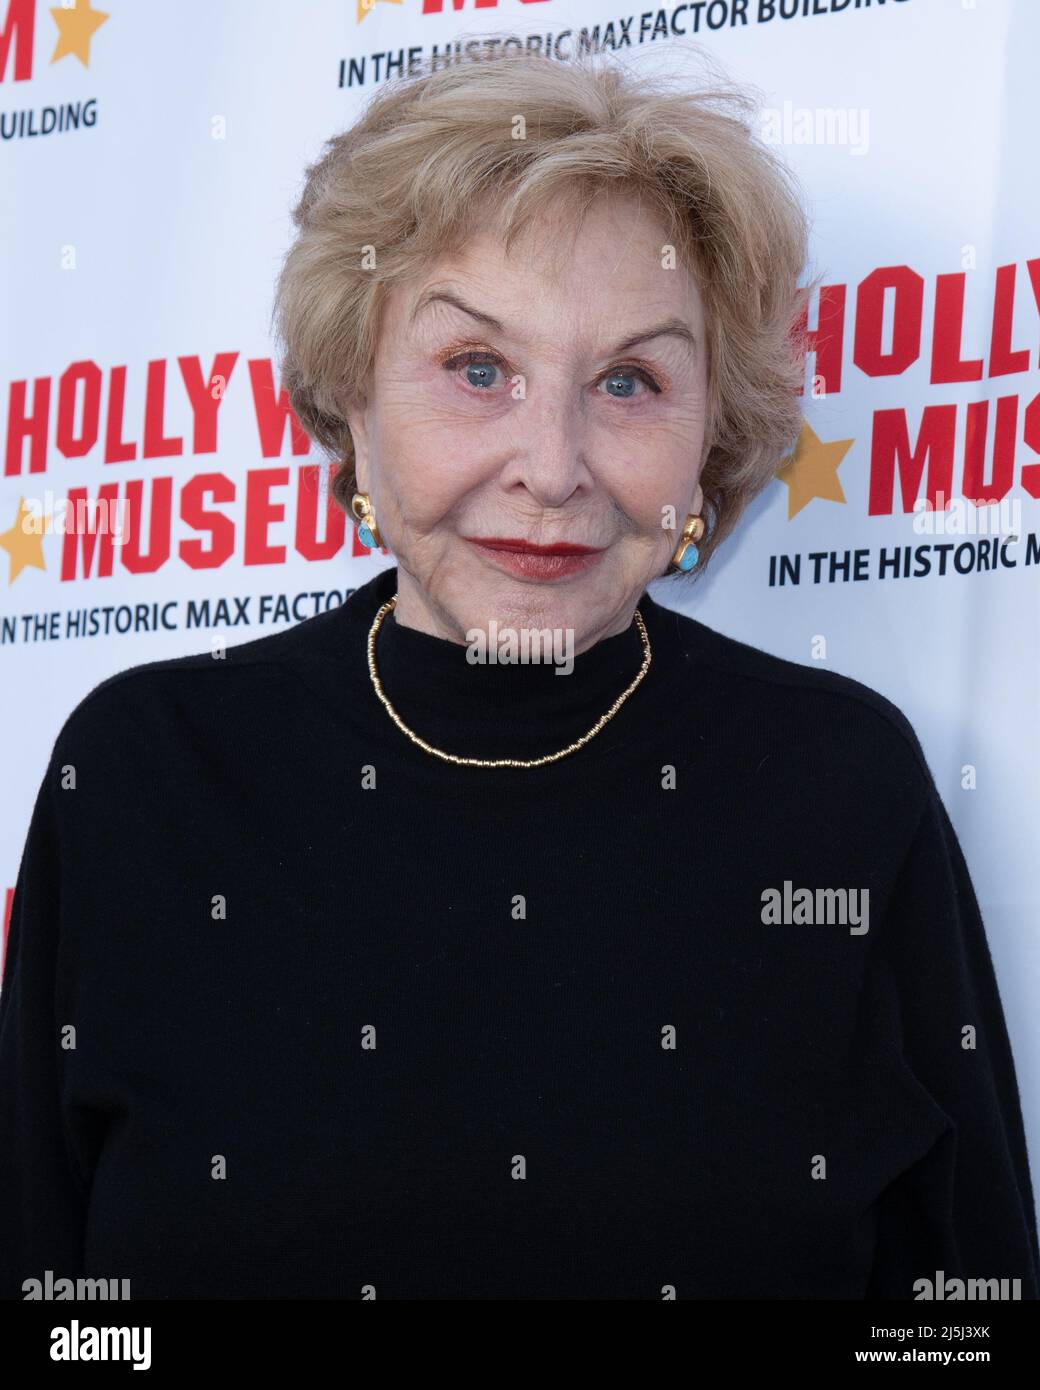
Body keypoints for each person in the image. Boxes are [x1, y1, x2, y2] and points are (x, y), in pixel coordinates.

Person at [1, 47, 1036, 1301]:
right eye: (477, 369)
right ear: (349, 396)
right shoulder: (141, 770)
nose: (551, 466)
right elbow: (52, 1314)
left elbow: (963, 1315)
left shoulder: (838, 787)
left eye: (628, 381)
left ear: (711, 432)